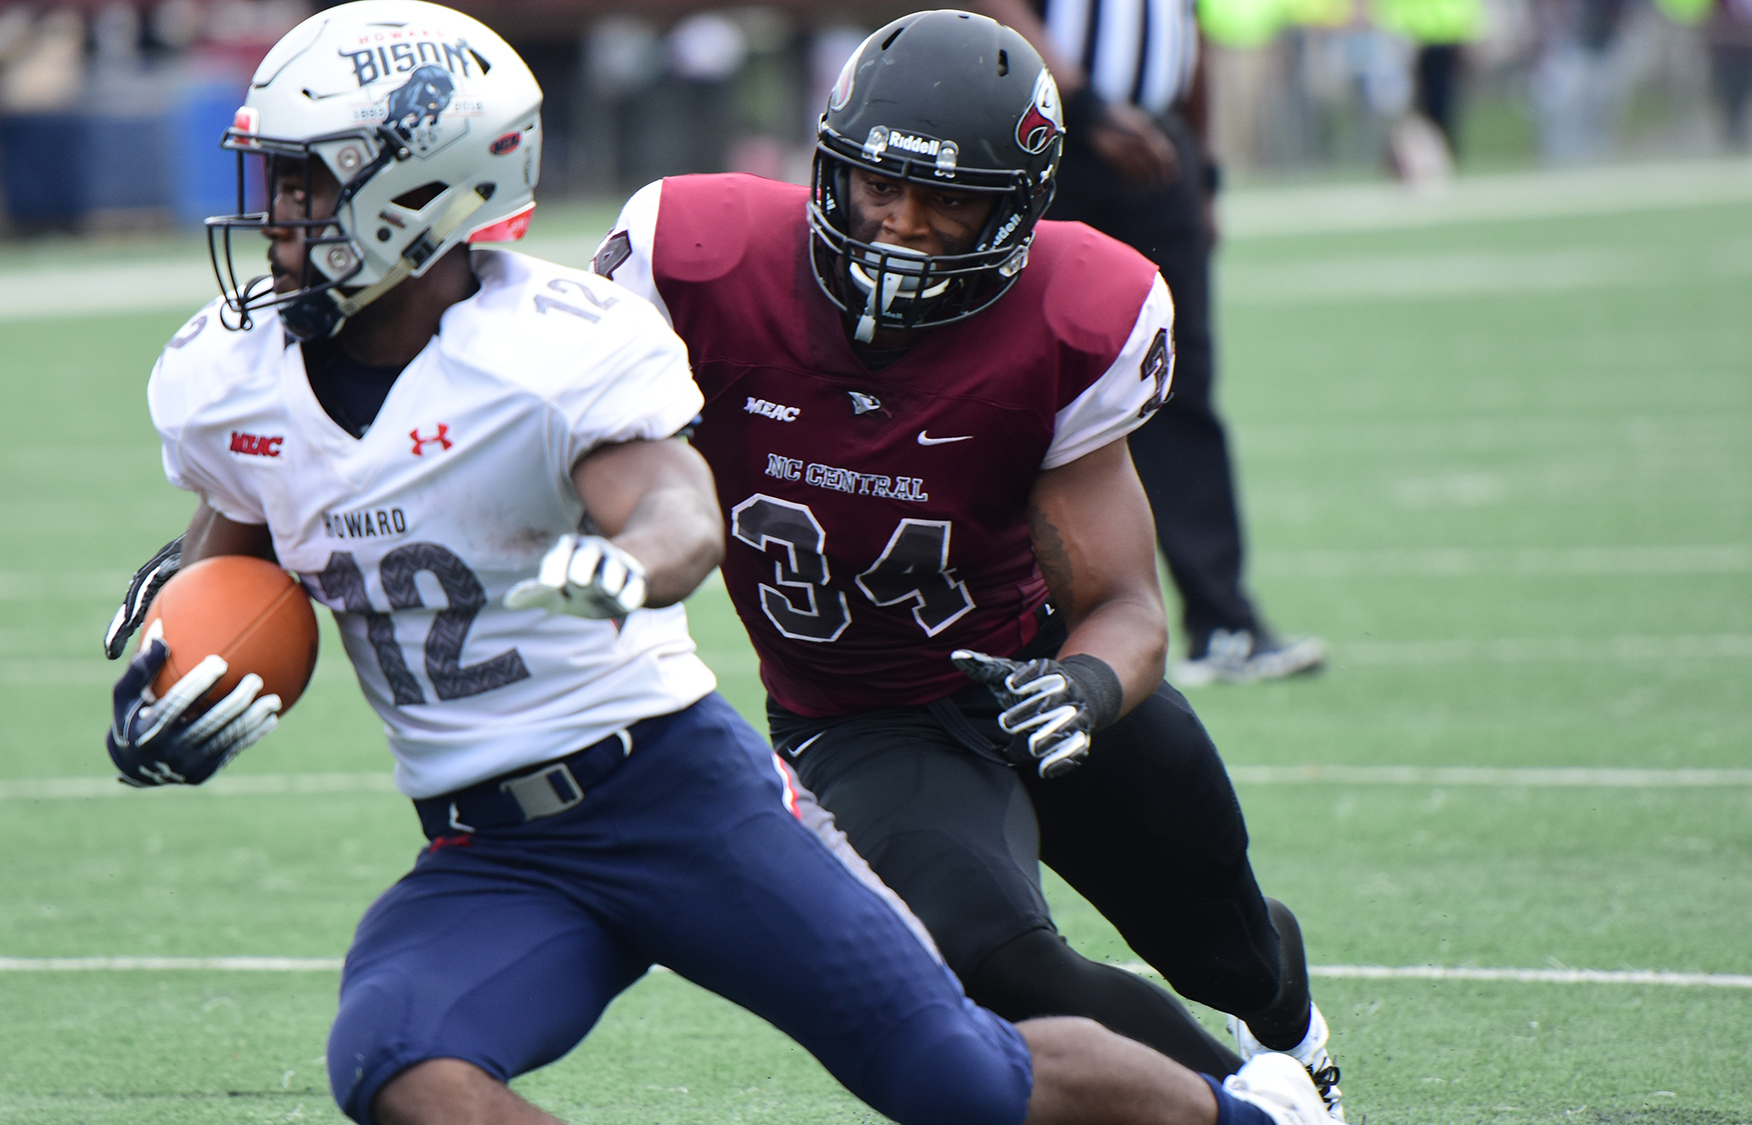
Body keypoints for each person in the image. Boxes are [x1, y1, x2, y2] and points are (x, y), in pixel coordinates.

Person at [97, 5, 1341, 1125]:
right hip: (636, 788)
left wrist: (628, 569)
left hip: (795, 758)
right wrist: (174, 659)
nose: (276, 217)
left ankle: (1269, 1086)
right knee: (402, 1061)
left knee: (1066, 1025)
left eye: (307, 186)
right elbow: (239, 546)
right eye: (875, 192)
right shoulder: (239, 374)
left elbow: (675, 508)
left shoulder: (551, 346)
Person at [591, 8, 1344, 1116]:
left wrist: (1083, 686)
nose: (903, 227)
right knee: (997, 967)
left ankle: (1286, 1029)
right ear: (828, 167)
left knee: (1228, 956)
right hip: (859, 713)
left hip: (1034, 671)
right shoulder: (698, 260)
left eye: (950, 201)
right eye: (879, 189)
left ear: (1020, 207)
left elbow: (1128, 603)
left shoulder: (1074, 312)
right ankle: (1255, 1105)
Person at [966, 0, 1322, 684]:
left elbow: (1185, 35)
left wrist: (1203, 164)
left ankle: (1223, 620)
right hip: (1064, 139)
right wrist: (1089, 109)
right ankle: (1026, 623)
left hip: (1158, 150)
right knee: (1030, 382)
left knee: (1179, 385)